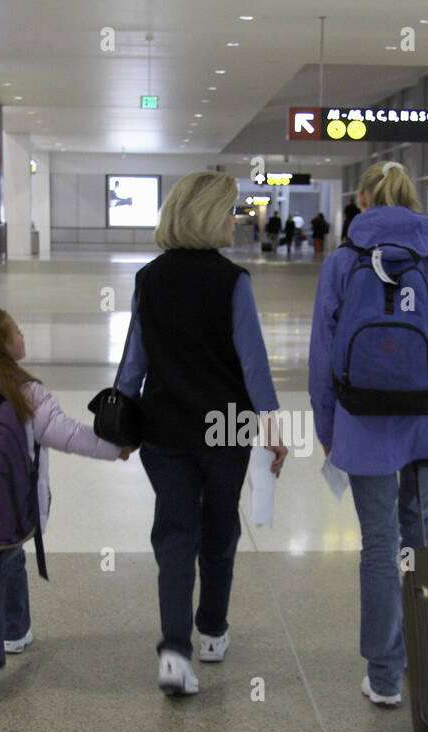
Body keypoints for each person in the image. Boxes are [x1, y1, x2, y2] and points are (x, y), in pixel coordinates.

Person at [309, 160, 428, 707]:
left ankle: (385, 677)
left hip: (363, 421)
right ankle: (424, 658)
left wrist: (327, 426)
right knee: (419, 529)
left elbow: (322, 354)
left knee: (379, 544)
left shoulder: (343, 260)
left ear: (363, 200)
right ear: (414, 200)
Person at [116, 172, 288, 696]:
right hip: (226, 425)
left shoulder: (150, 279)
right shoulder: (232, 281)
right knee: (220, 528)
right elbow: (253, 362)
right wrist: (273, 425)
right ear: (211, 216)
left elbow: (133, 362)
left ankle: (173, 651)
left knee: (173, 534)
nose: (235, 220)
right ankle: (211, 630)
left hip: (164, 426)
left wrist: (122, 425)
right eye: (231, 211)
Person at [0, 309, 131, 690]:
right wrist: (114, 448)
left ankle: (13, 630)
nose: (23, 336)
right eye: (17, 332)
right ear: (3, 345)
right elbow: (68, 435)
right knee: (2, 558)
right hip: (15, 505)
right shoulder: (25, 392)